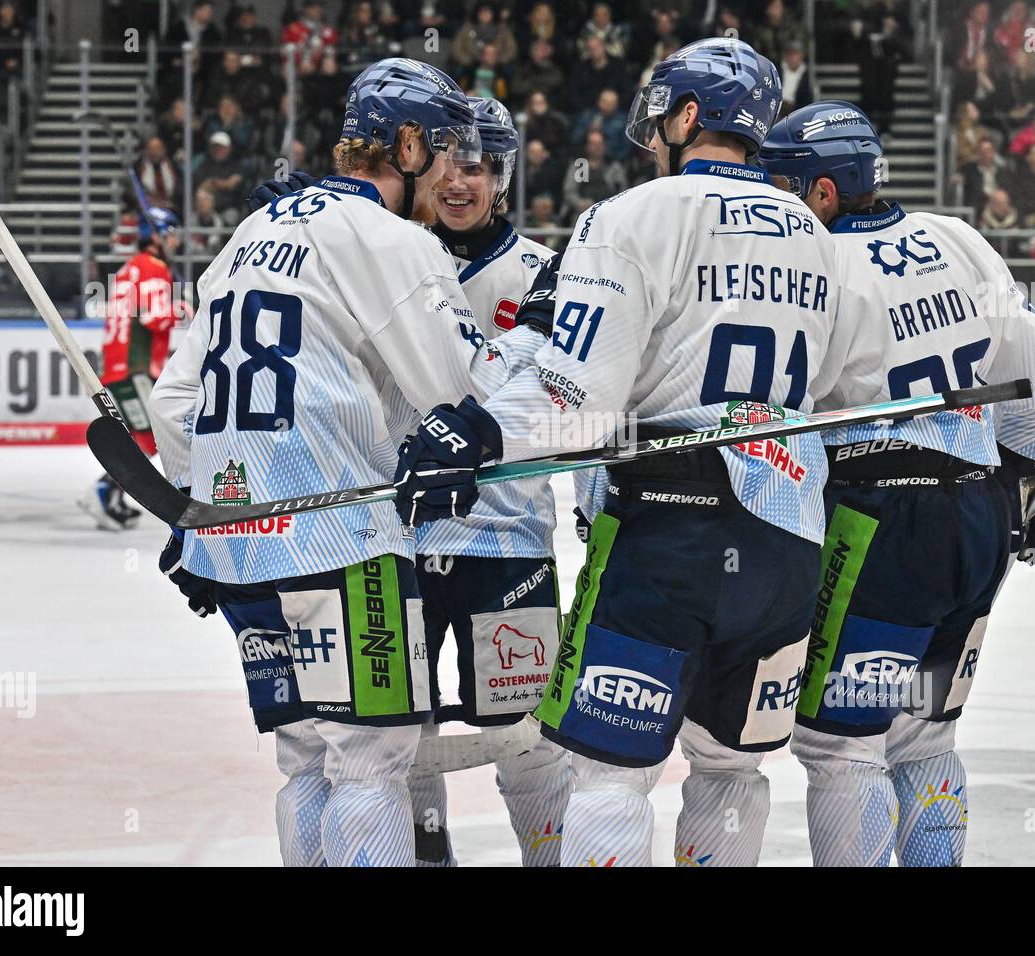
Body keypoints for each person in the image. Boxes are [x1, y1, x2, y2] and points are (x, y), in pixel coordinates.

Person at [393, 38, 838, 868]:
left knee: (607, 777)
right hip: (788, 540)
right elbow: (838, 391)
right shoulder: (812, 234)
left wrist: (480, 432)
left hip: (669, 539)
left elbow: (580, 404)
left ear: (689, 115)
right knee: (733, 769)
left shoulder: (631, 215)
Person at [147, 59, 531, 868]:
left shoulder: (254, 231)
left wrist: (196, 513)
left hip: (239, 544)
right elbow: (466, 393)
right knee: (369, 762)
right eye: (448, 149)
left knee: (305, 760)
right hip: (342, 545)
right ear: (409, 143)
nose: (455, 173)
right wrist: (538, 333)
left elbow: (173, 404)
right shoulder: (392, 242)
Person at [760, 101, 1035, 866]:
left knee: (843, 746)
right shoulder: (954, 237)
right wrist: (1020, 489)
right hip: (975, 520)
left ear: (824, 193)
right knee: (926, 736)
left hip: (881, 529)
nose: (771, 202)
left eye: (780, 185)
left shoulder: (817, 268)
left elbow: (780, 415)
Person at [407, 97, 569, 868]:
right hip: (395, 535)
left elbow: (580, 397)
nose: (458, 182)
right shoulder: (393, 260)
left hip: (506, 544)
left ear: (501, 175)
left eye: (476, 167)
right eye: (446, 164)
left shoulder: (545, 273)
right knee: (398, 739)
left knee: (529, 741)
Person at [79, 208, 184, 531]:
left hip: (120, 365)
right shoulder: (154, 268)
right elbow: (154, 317)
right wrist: (181, 307)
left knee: (142, 434)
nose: (176, 241)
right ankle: (102, 490)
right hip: (135, 367)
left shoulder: (130, 269)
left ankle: (112, 494)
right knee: (151, 436)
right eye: (172, 233)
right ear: (157, 236)